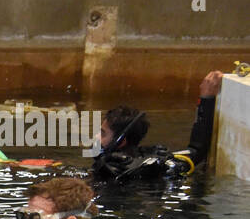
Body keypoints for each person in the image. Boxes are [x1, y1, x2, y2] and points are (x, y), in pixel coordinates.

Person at [89, 71, 221, 181]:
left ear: (121, 142)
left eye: (103, 133)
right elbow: (196, 152)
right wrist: (206, 98)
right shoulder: (152, 160)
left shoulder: (115, 172)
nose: (96, 136)